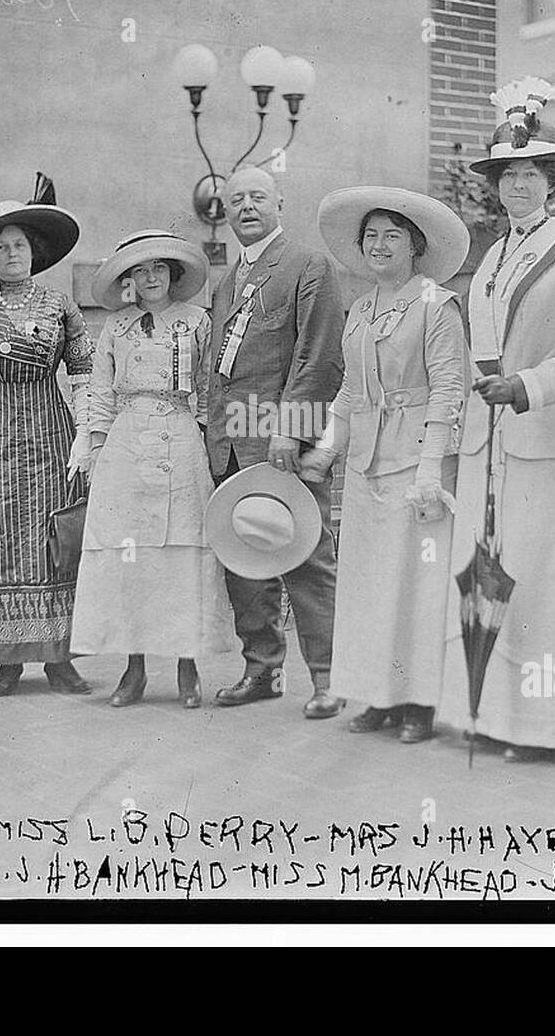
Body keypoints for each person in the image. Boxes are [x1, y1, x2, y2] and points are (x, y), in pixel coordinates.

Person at [437, 77, 555, 760]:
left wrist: (529, 386)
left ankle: (553, 727)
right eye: (509, 176)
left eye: (532, 174)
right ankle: (494, 714)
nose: (519, 188)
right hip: (490, 437)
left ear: (554, 180)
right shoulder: (489, 258)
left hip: (548, 432)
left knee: (548, 576)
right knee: (492, 570)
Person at [300, 188, 469, 744]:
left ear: (415, 246)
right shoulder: (363, 310)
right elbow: (350, 390)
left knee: (417, 584)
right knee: (369, 585)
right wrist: (325, 451)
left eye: (391, 235)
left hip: (417, 463)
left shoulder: (435, 306)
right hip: (368, 464)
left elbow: (448, 388)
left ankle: (419, 701)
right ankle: (378, 694)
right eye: (370, 236)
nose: (378, 245)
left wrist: (429, 472)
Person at [0, 176, 94, 697]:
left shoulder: (59, 305)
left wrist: (85, 435)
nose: (12, 254)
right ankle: (6, 661)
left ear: (35, 251)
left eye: (20, 245)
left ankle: (59, 659)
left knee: (54, 538)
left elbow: (84, 374)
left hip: (51, 429)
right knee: (0, 537)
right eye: (2, 247)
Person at [70, 231, 236, 708]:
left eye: (159, 268)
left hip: (181, 438)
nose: (151, 277)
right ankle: (134, 669)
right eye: (141, 270)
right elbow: (100, 393)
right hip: (126, 443)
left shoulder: (197, 322)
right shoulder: (115, 327)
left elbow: (209, 390)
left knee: (184, 555)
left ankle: (188, 667)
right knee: (132, 558)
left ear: (173, 274)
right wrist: (94, 449)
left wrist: (207, 443)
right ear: (130, 279)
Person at [206, 166, 346, 719]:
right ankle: (261, 670)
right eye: (236, 199)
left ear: (280, 202)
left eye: (257, 197)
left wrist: (291, 426)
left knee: (306, 555)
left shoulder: (306, 265)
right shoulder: (228, 280)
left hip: (281, 436)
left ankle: (328, 677)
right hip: (231, 436)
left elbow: (318, 355)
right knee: (243, 554)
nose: (246, 207)